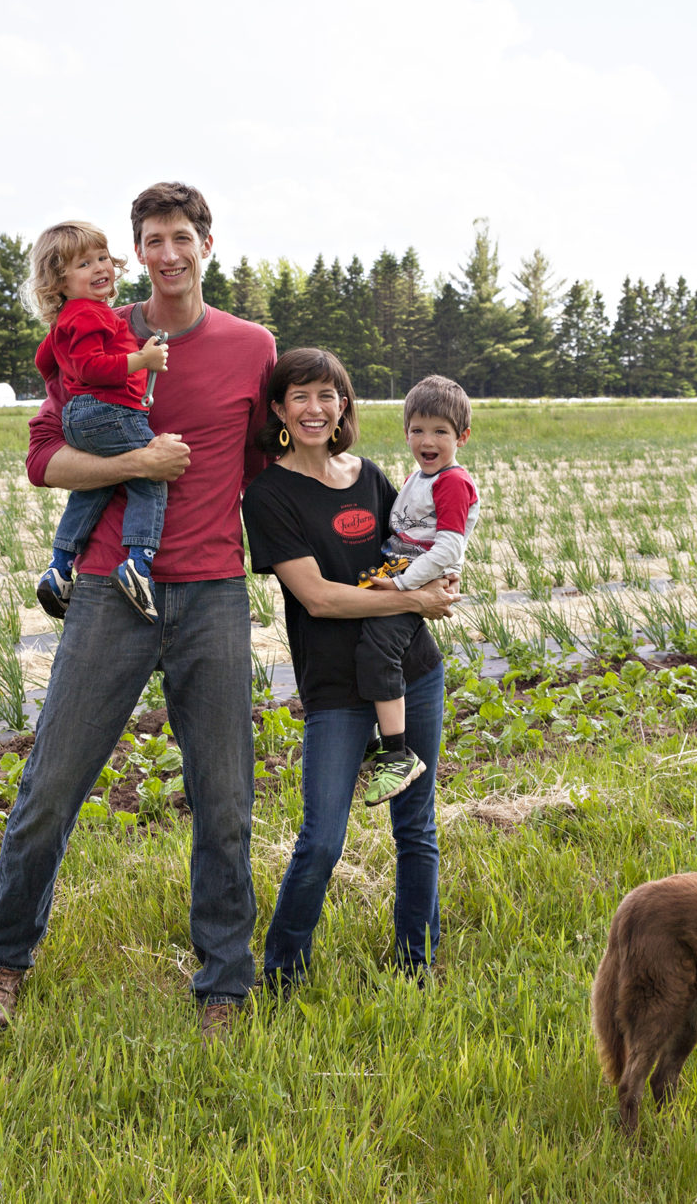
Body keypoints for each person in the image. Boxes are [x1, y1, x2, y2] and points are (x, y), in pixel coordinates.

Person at [0, 182, 276, 1039]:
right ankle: (3, 961)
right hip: (110, 588)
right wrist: (138, 462)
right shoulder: (100, 332)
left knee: (225, 800)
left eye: (182, 237)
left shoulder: (252, 347)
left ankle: (224, 986)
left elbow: (268, 464)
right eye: (152, 240)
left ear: (207, 244)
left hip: (212, 590)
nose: (167, 254)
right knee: (50, 787)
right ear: (136, 252)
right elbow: (45, 460)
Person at [240, 349, 460, 993]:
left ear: (344, 406)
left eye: (327, 395)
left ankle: (418, 963)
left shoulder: (370, 476)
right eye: (300, 396)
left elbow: (413, 546)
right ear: (279, 410)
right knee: (321, 839)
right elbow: (319, 598)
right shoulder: (269, 494)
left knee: (416, 826)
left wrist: (441, 576)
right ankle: (283, 972)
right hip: (336, 686)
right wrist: (414, 600)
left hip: (410, 671)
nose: (315, 409)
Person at [21, 219, 171, 623]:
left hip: (81, 414)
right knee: (150, 477)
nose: (100, 267)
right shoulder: (90, 314)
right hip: (111, 409)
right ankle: (138, 563)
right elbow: (91, 367)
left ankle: (60, 565)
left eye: (102, 257)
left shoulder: (68, 318)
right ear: (60, 281)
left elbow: (45, 360)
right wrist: (142, 359)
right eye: (84, 264)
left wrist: (68, 378)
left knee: (95, 485)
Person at [350, 374, 479, 806]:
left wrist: (402, 585)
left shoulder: (452, 482)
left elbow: (449, 547)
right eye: (418, 430)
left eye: (440, 431)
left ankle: (396, 753)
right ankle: (373, 740)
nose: (428, 440)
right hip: (400, 570)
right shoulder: (418, 477)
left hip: (414, 578)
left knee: (379, 649)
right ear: (406, 432)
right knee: (355, 635)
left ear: (461, 437)